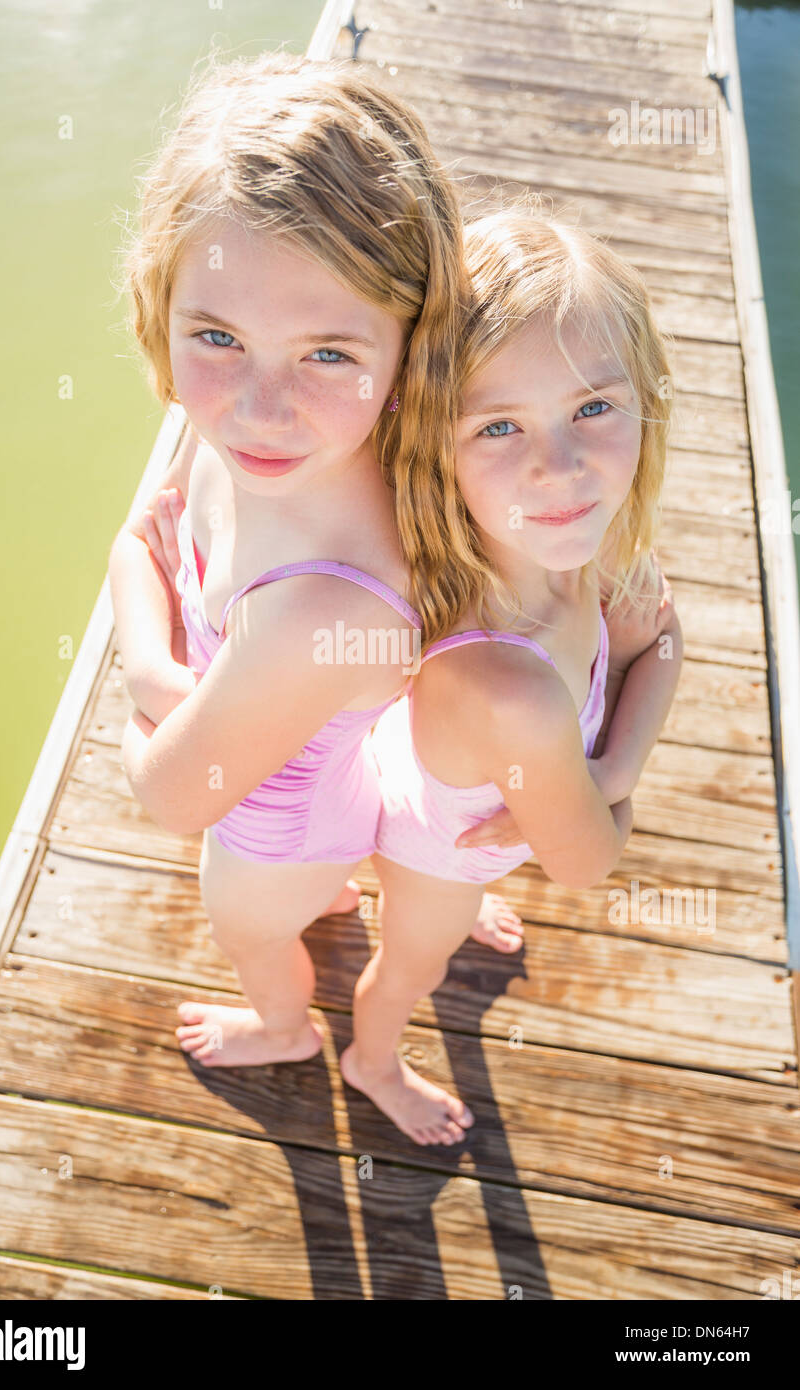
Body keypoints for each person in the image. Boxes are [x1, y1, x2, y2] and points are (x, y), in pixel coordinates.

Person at [107, 48, 470, 1069]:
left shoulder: (317, 609)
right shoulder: (222, 421)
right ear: (164, 305)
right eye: (215, 333)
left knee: (248, 934)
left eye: (327, 354)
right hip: (314, 775)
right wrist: (149, 671)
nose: (259, 407)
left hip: (271, 839)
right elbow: (135, 537)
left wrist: (148, 694)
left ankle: (283, 1026)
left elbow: (173, 798)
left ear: (410, 343)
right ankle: (342, 890)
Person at [340, 203, 683, 1145]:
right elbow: (583, 862)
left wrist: (606, 777)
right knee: (414, 960)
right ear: (434, 443)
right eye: (499, 428)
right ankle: (371, 1060)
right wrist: (592, 787)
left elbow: (665, 641)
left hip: (507, 787)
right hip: (443, 847)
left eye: (594, 408)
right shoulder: (508, 686)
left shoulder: (594, 543)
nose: (561, 467)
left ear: (642, 395)